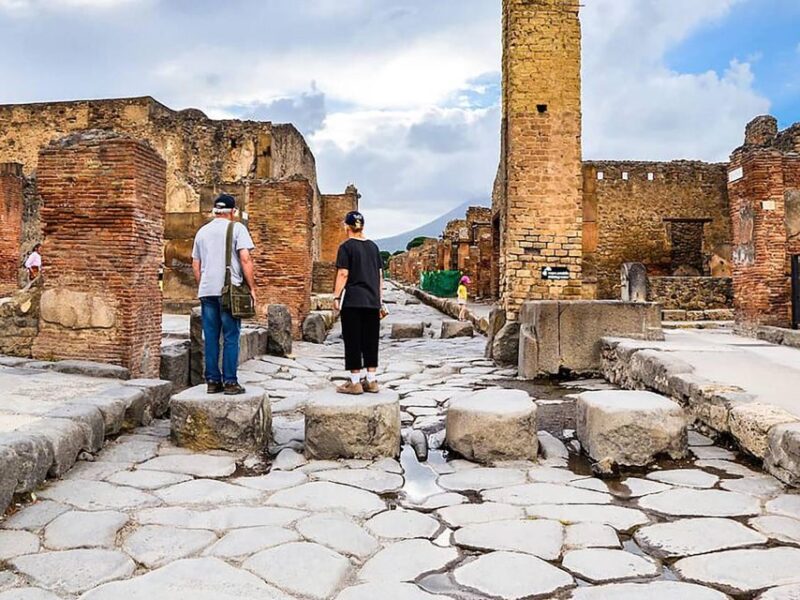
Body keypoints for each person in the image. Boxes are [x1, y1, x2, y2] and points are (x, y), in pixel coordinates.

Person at [191, 194, 256, 395]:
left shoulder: (202, 231)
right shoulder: (237, 228)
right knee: (230, 336)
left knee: (210, 337)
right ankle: (230, 382)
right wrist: (252, 287)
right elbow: (245, 259)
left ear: (215, 210)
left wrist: (203, 285)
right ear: (233, 212)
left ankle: (212, 381)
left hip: (207, 290)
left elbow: (196, 264)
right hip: (229, 291)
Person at [333, 211, 384, 395]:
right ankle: (371, 380)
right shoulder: (373, 247)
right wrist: (380, 300)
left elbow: (343, 273)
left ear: (346, 226)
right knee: (371, 339)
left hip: (353, 300)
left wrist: (336, 296)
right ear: (362, 226)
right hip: (372, 301)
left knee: (353, 339)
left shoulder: (346, 247)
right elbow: (379, 277)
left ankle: (355, 382)